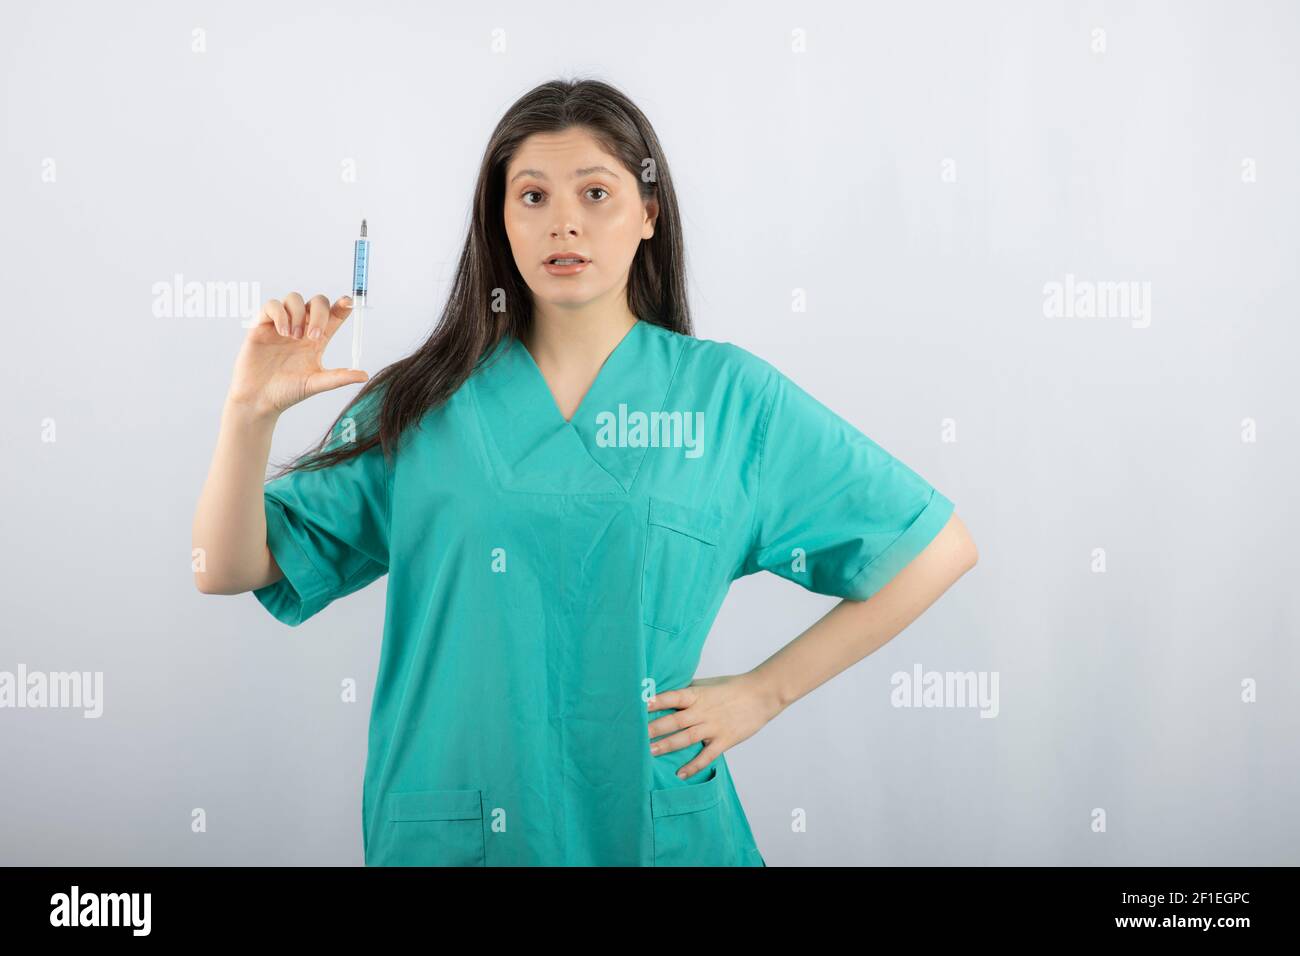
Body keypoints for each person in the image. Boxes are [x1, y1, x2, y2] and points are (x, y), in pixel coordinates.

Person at [191, 78, 979, 867]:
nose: (563, 220)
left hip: (651, 823)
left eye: (596, 192)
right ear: (499, 223)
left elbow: (936, 547)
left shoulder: (730, 400)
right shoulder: (421, 401)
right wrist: (249, 414)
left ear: (647, 215)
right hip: (457, 825)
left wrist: (761, 693)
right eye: (530, 195)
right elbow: (228, 568)